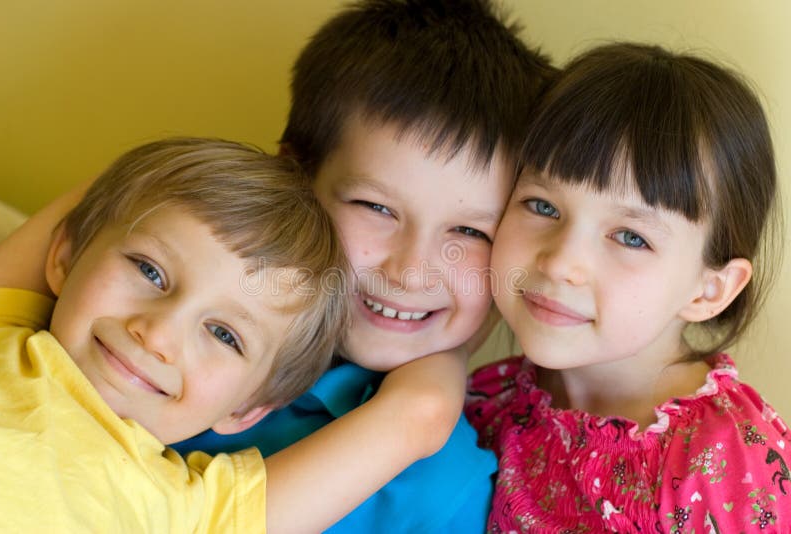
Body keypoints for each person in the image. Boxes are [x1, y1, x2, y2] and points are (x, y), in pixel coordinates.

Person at [174, 0, 555, 531]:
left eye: (470, 232)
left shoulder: (441, 487)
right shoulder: (166, 323)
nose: (410, 272)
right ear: (292, 178)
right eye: (376, 208)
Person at [0, 137, 465, 532]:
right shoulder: (1, 329)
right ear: (64, 257)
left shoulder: (195, 512)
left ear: (246, 408)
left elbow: (418, 414)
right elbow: (98, 204)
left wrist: (455, 338)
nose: (157, 335)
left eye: (224, 334)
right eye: (150, 272)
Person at [465, 43, 789, 532]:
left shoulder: (727, 465)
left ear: (709, 290)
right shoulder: (485, 402)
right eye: (543, 206)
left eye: (631, 237)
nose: (560, 264)